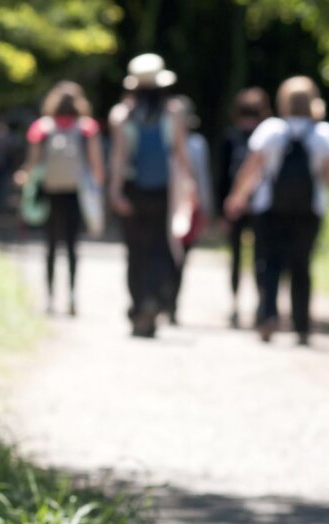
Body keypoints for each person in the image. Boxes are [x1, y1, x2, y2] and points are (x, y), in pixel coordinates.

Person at [224, 76, 329, 345]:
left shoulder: (270, 130)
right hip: (309, 211)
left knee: (269, 263)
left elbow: (250, 170)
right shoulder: (324, 133)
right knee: (301, 266)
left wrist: (236, 198)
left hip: (269, 209)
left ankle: (268, 315)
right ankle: (302, 327)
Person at [109, 54, 195, 337]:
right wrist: (189, 189)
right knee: (160, 247)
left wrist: (115, 192)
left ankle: (138, 305)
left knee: (136, 252)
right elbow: (180, 154)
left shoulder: (122, 115)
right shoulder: (174, 112)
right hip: (163, 190)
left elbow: (120, 159)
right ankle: (154, 301)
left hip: (133, 191)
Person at [15, 81, 104, 316]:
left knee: (51, 246)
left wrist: (24, 178)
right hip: (76, 193)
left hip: (50, 192)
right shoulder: (87, 128)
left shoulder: (42, 127)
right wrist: (99, 189)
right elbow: (96, 166)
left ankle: (50, 298)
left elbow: (32, 163)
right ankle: (73, 296)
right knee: (73, 246)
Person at [217, 87, 271, 328]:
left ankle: (235, 306)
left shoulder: (230, 136)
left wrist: (222, 210)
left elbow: (221, 176)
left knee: (236, 258)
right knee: (262, 258)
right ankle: (262, 306)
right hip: (261, 205)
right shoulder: (267, 135)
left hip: (234, 206)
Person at [167, 95, 214, 325]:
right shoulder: (196, 145)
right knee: (180, 260)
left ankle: (166, 303)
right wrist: (206, 209)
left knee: (168, 257)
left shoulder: (164, 142)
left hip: (173, 206)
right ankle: (171, 305)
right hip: (187, 206)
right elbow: (202, 180)